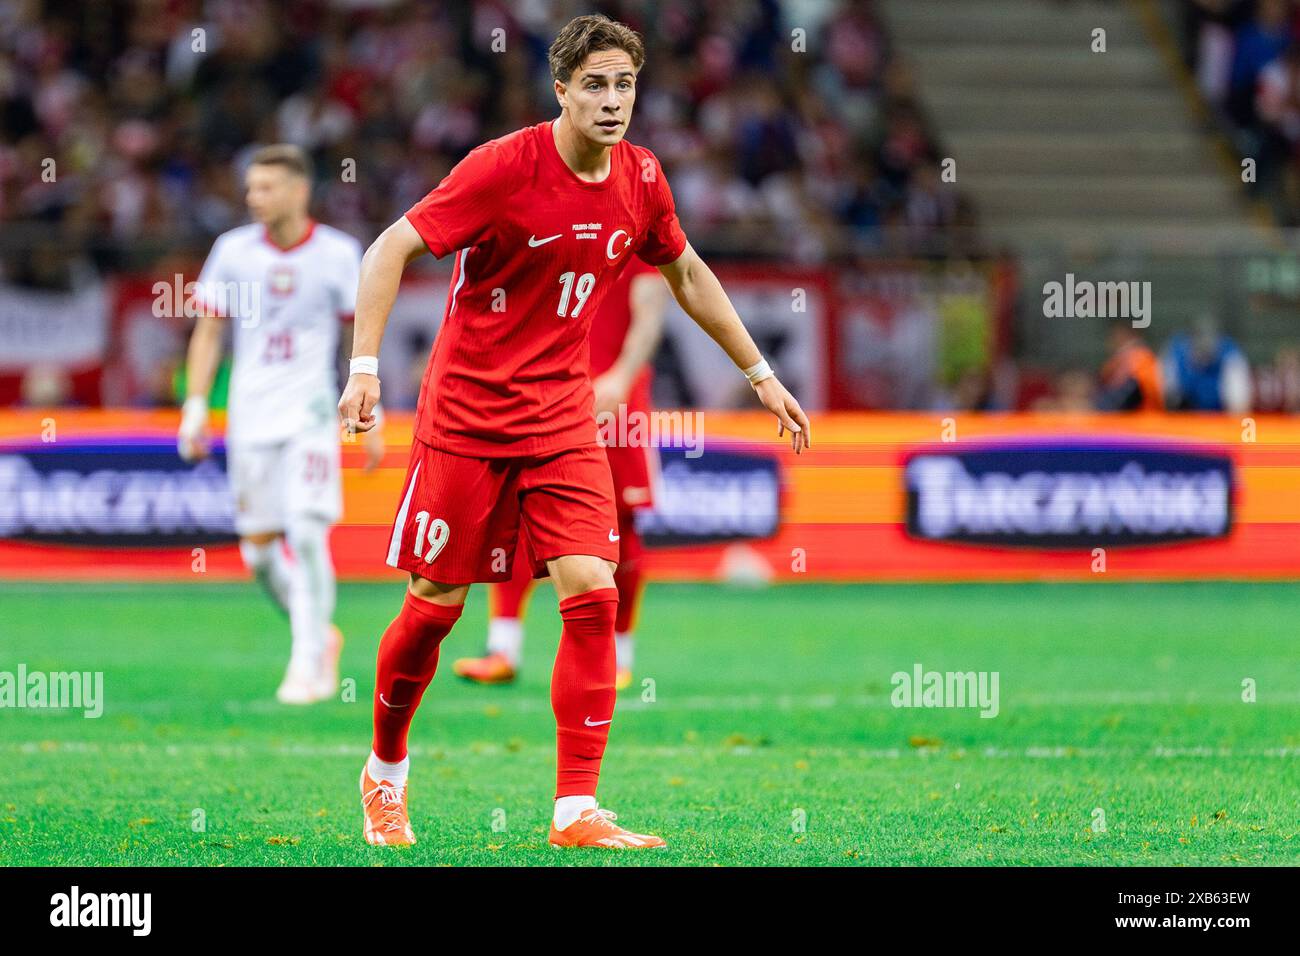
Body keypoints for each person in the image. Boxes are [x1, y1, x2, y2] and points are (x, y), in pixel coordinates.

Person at [338, 14, 810, 850]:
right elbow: (387, 250)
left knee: (592, 589)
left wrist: (761, 375)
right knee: (436, 608)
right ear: (560, 90)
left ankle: (575, 811)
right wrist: (364, 368)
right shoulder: (501, 168)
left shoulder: (643, 177)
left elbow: (688, 272)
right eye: (594, 83)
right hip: (468, 417)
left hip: (561, 414)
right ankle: (384, 771)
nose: (612, 99)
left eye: (625, 83)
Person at [178, 144, 384, 704]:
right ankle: (319, 632)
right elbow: (209, 333)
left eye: (266, 187)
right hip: (250, 414)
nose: (253, 198)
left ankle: (307, 661)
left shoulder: (339, 254)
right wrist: (196, 406)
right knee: (260, 552)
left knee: (310, 530)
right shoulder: (232, 252)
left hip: (310, 413)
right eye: (251, 187)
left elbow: (355, 336)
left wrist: (373, 408)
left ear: (298, 191)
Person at [453, 257, 668, 689]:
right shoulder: (557, 226)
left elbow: (651, 315)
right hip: (546, 396)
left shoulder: (638, 233)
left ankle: (618, 654)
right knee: (518, 512)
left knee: (621, 525)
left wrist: (622, 376)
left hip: (614, 402)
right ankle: (503, 648)